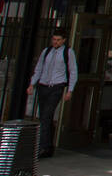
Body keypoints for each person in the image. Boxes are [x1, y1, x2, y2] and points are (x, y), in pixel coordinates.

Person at [26, 29, 77, 159]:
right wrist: (32, 84)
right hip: (43, 85)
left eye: (58, 40)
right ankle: (48, 146)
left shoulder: (68, 52)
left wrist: (70, 90)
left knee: (46, 116)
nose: (55, 42)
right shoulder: (46, 51)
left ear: (64, 40)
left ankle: (43, 147)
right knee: (44, 116)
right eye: (54, 39)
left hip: (57, 86)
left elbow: (73, 71)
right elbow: (39, 68)